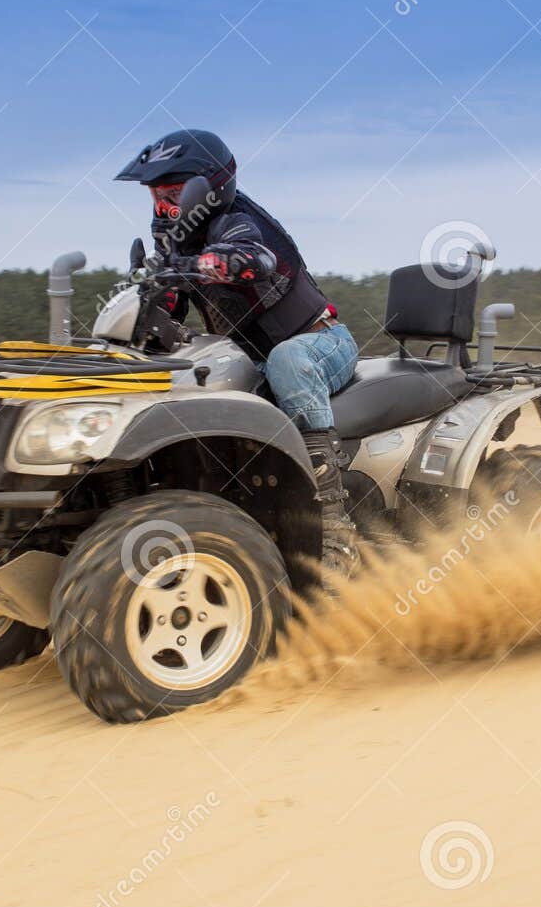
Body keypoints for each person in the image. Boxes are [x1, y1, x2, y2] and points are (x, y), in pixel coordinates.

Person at [115, 128, 360, 575]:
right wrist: (150, 302)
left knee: (289, 361)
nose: (163, 208)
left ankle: (333, 528)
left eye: (173, 195)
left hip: (319, 343)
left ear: (206, 191)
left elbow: (247, 260)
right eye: (157, 196)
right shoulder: (175, 240)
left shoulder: (240, 222)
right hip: (252, 359)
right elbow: (175, 299)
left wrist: (185, 266)